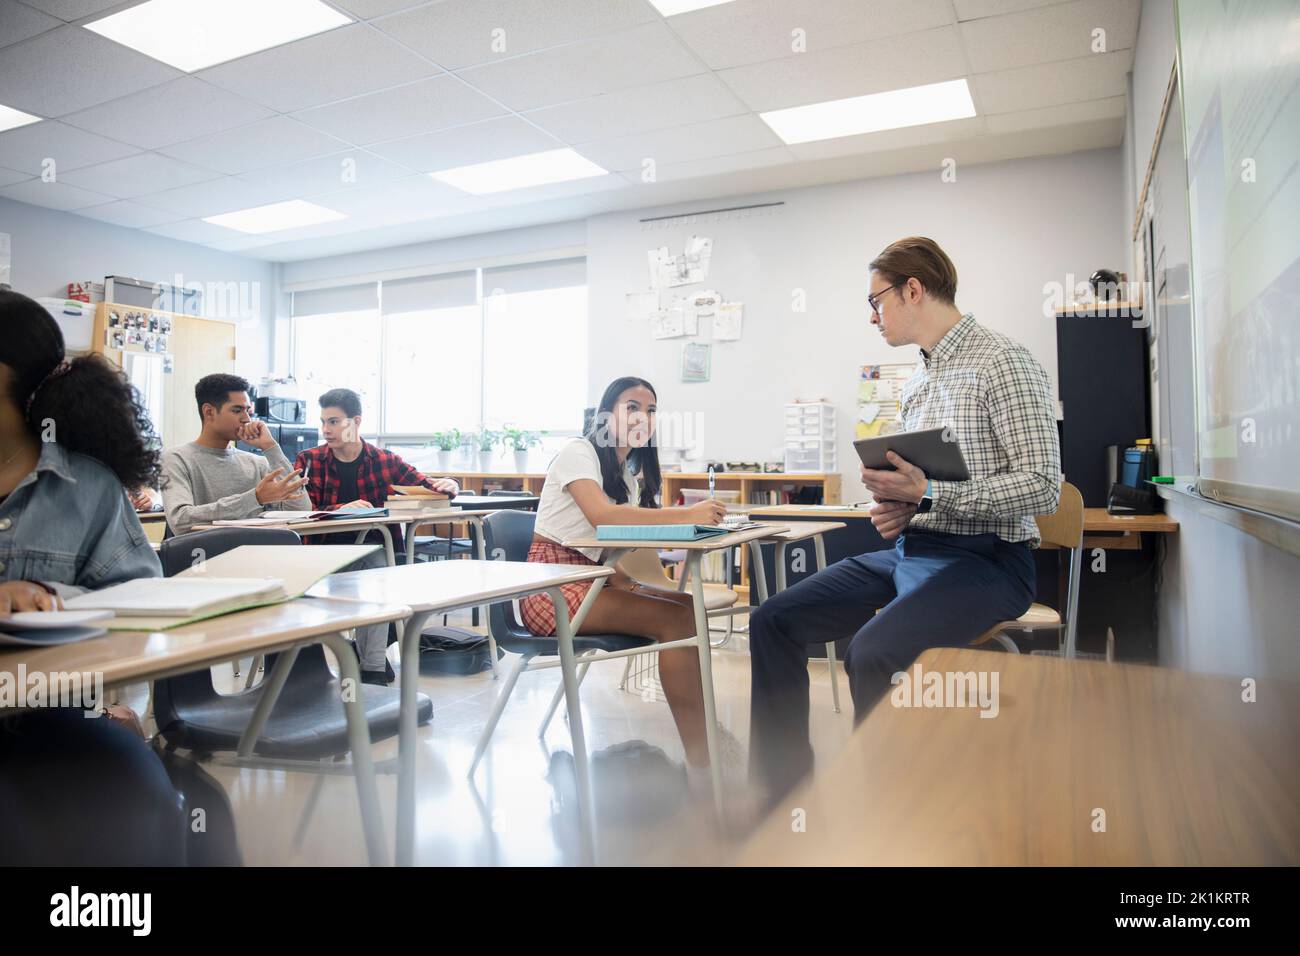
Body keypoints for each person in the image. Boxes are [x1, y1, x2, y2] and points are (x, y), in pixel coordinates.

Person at [747, 237, 1062, 804]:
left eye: (877, 301)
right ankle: (781, 798)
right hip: (912, 550)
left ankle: (891, 822)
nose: (872, 316)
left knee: (872, 652)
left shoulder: (1004, 362)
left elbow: (1043, 487)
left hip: (990, 562)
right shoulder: (916, 381)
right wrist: (899, 507)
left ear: (913, 289)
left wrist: (932, 494)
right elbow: (924, 488)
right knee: (772, 619)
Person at [0, 289, 193, 864]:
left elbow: (138, 600)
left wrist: (48, 599)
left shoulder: (87, 488)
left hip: (47, 712)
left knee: (138, 792)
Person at [521, 376, 730, 783]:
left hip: (593, 580)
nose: (643, 417)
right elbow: (602, 519)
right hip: (551, 590)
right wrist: (687, 514)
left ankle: (706, 741)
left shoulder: (626, 473)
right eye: (631, 407)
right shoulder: (578, 452)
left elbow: (603, 548)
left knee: (686, 606)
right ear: (606, 415)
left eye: (651, 410)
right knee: (673, 620)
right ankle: (704, 760)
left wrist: (632, 585)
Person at [295, 387, 459, 684]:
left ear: (355, 421)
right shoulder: (310, 460)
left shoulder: (384, 460)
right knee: (379, 575)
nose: (326, 430)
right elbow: (303, 510)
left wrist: (448, 483)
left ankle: (370, 665)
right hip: (321, 555)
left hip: (374, 552)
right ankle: (371, 663)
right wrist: (342, 508)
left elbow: (424, 483)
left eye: (334, 421)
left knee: (379, 574)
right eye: (323, 422)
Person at [160, 373, 310, 536]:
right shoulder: (176, 459)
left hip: (257, 555)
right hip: (206, 556)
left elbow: (301, 511)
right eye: (237, 410)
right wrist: (255, 498)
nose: (246, 419)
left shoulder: (257, 463)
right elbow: (180, 521)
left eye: (248, 411)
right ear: (209, 412)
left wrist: (270, 447)